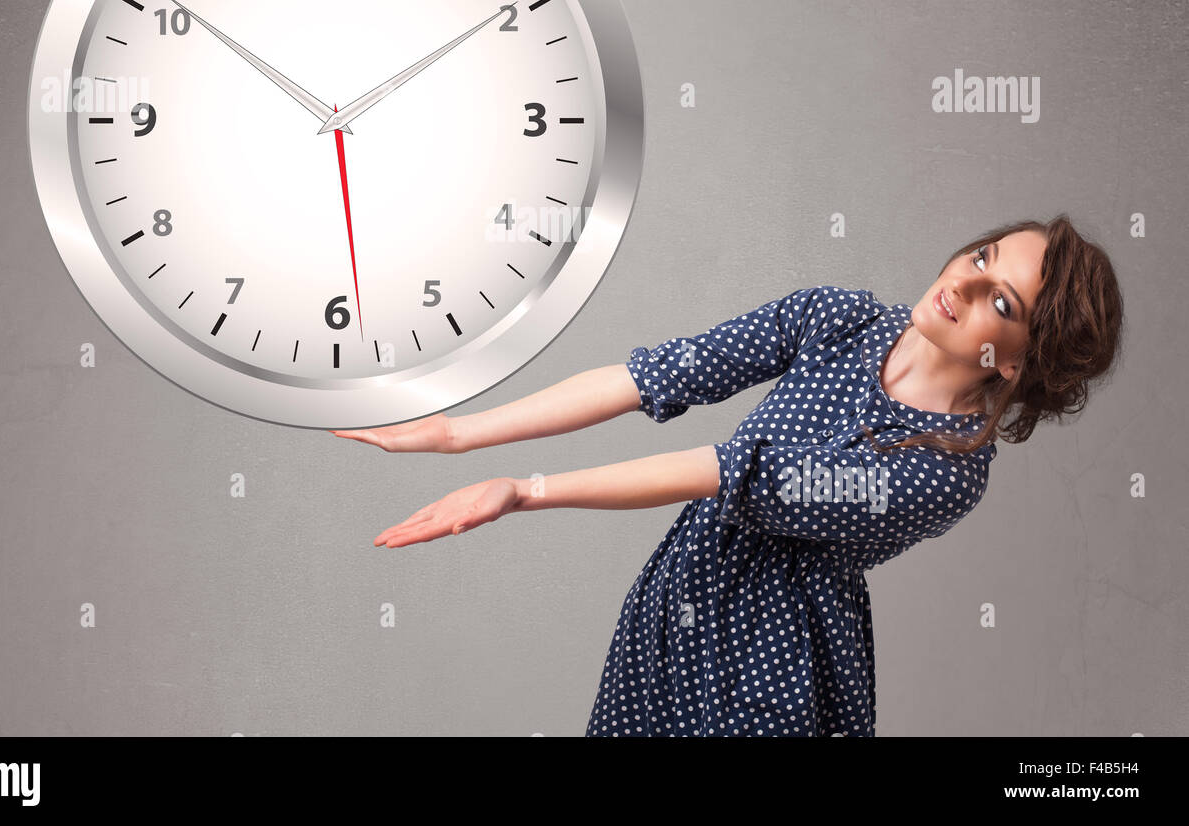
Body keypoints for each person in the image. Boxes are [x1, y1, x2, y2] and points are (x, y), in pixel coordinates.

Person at [330, 214, 1124, 736]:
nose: (963, 282)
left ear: (1021, 362)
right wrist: (457, 433)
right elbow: (659, 376)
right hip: (676, 604)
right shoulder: (841, 318)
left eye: (1002, 302)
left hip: (774, 660)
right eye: (982, 256)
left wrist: (525, 491)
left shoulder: (947, 468)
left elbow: (724, 473)